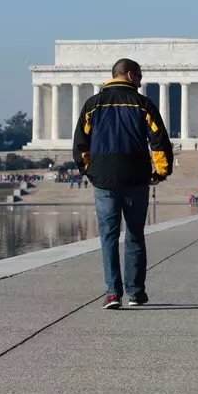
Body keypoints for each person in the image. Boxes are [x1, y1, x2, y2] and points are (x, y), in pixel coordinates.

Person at [73, 58, 173, 310]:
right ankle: (136, 292)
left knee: (108, 236)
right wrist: (161, 171)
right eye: (139, 77)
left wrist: (92, 172)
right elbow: (159, 141)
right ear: (130, 75)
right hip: (136, 177)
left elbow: (79, 146)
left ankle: (112, 293)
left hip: (104, 180)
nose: (141, 82)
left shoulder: (92, 105)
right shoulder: (143, 104)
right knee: (135, 235)